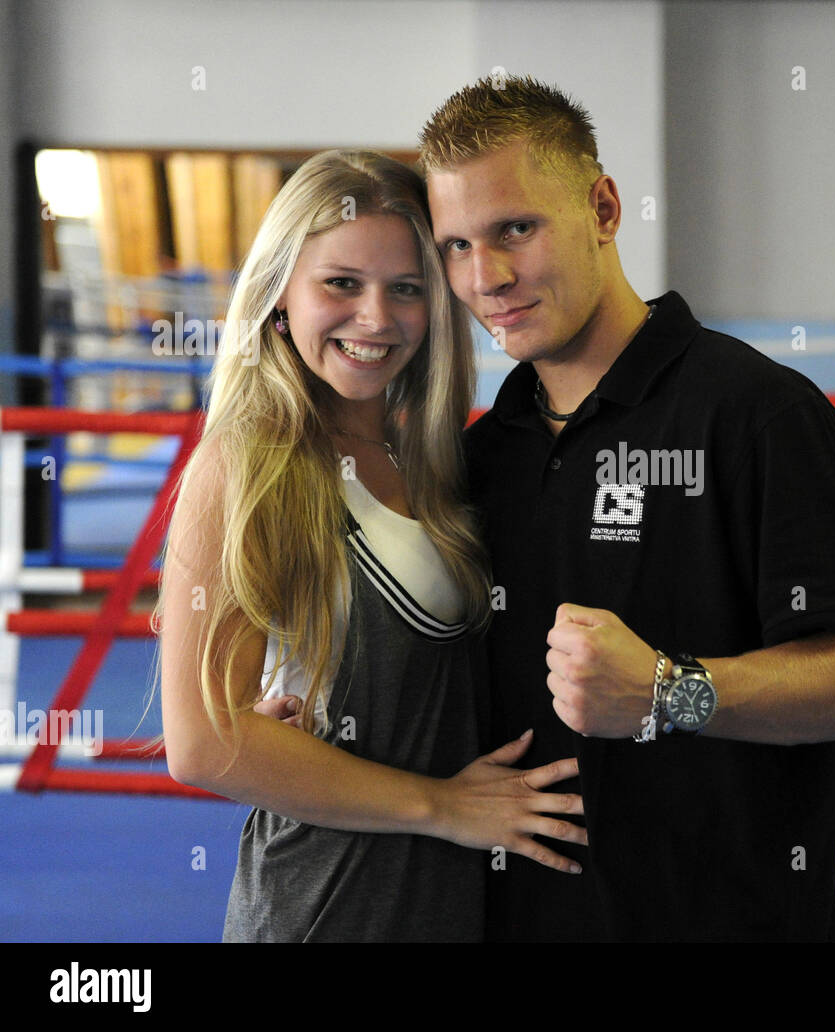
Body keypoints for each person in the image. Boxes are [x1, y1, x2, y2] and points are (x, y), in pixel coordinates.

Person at [419, 77, 835, 942]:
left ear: (603, 207)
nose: (485, 278)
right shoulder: (487, 454)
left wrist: (667, 690)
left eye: (516, 230)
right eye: (456, 245)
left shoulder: (760, 414)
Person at [157, 149, 586, 943]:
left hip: (449, 901)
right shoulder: (250, 463)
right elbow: (204, 741)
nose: (377, 319)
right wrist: (446, 805)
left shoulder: (435, 459)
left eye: (407, 290)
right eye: (341, 284)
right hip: (326, 904)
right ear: (280, 291)